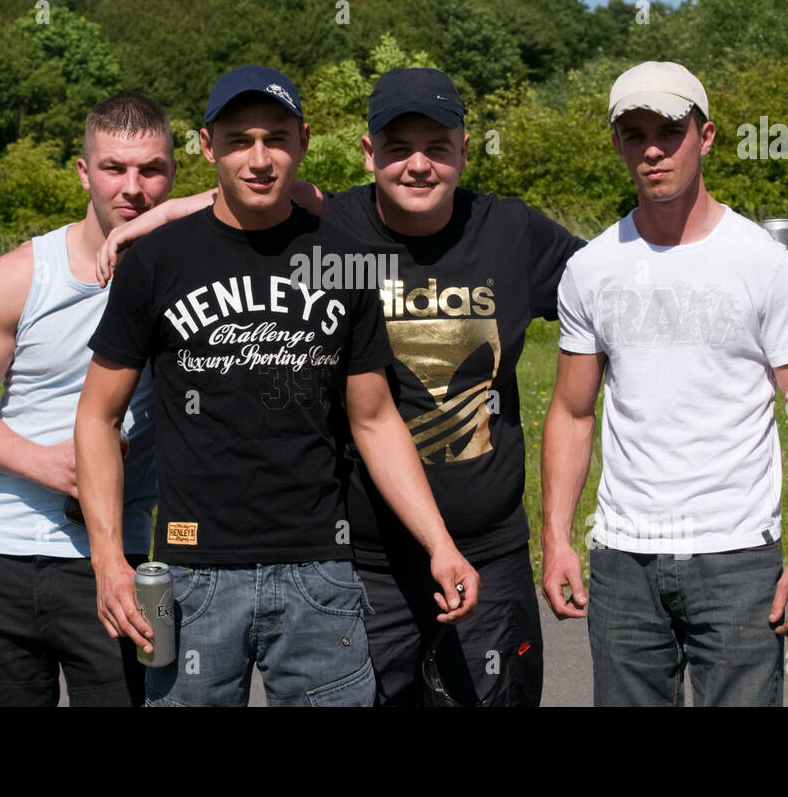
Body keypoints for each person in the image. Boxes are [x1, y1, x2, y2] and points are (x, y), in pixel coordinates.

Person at [93, 68, 588, 706]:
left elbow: (613, 289)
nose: (417, 165)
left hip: (479, 551)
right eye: (397, 148)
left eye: (437, 146)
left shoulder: (511, 232)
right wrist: (163, 217)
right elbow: (251, 193)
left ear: (466, 149)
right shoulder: (339, 232)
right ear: (367, 152)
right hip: (359, 560)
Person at [540, 60, 788, 706]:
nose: (652, 149)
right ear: (617, 144)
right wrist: (556, 536)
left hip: (737, 558)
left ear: (705, 137)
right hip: (624, 560)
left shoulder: (762, 264)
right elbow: (572, 411)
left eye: (669, 130)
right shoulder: (591, 269)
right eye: (634, 133)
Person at [0, 92, 176, 706]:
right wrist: (50, 465)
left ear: (175, 172)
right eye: (114, 168)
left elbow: (288, 197)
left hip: (118, 559)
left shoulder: (189, 269)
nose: (133, 188)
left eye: (151, 170)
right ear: (83, 171)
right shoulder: (22, 274)